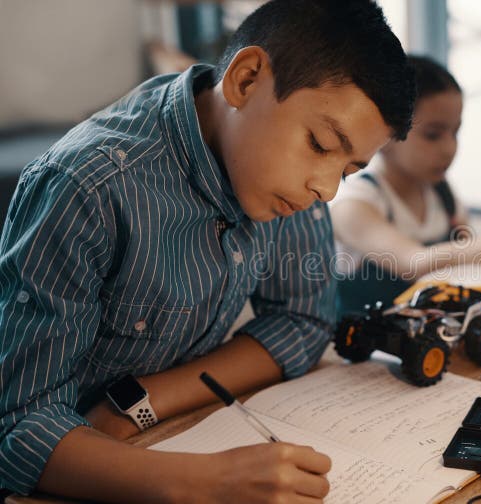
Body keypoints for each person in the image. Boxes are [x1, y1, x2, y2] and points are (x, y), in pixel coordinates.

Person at [0, 1, 414, 502]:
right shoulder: (89, 187)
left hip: (150, 431)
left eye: (349, 171)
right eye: (321, 145)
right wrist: (210, 482)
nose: (326, 189)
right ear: (246, 80)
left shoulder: (285, 177)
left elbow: (303, 321)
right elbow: (18, 430)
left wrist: (140, 401)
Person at [331, 55, 481, 315]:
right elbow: (415, 263)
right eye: (433, 135)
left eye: (455, 132)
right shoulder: (355, 204)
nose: (449, 148)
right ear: (384, 135)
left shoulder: (441, 193)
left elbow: (469, 259)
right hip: (367, 350)